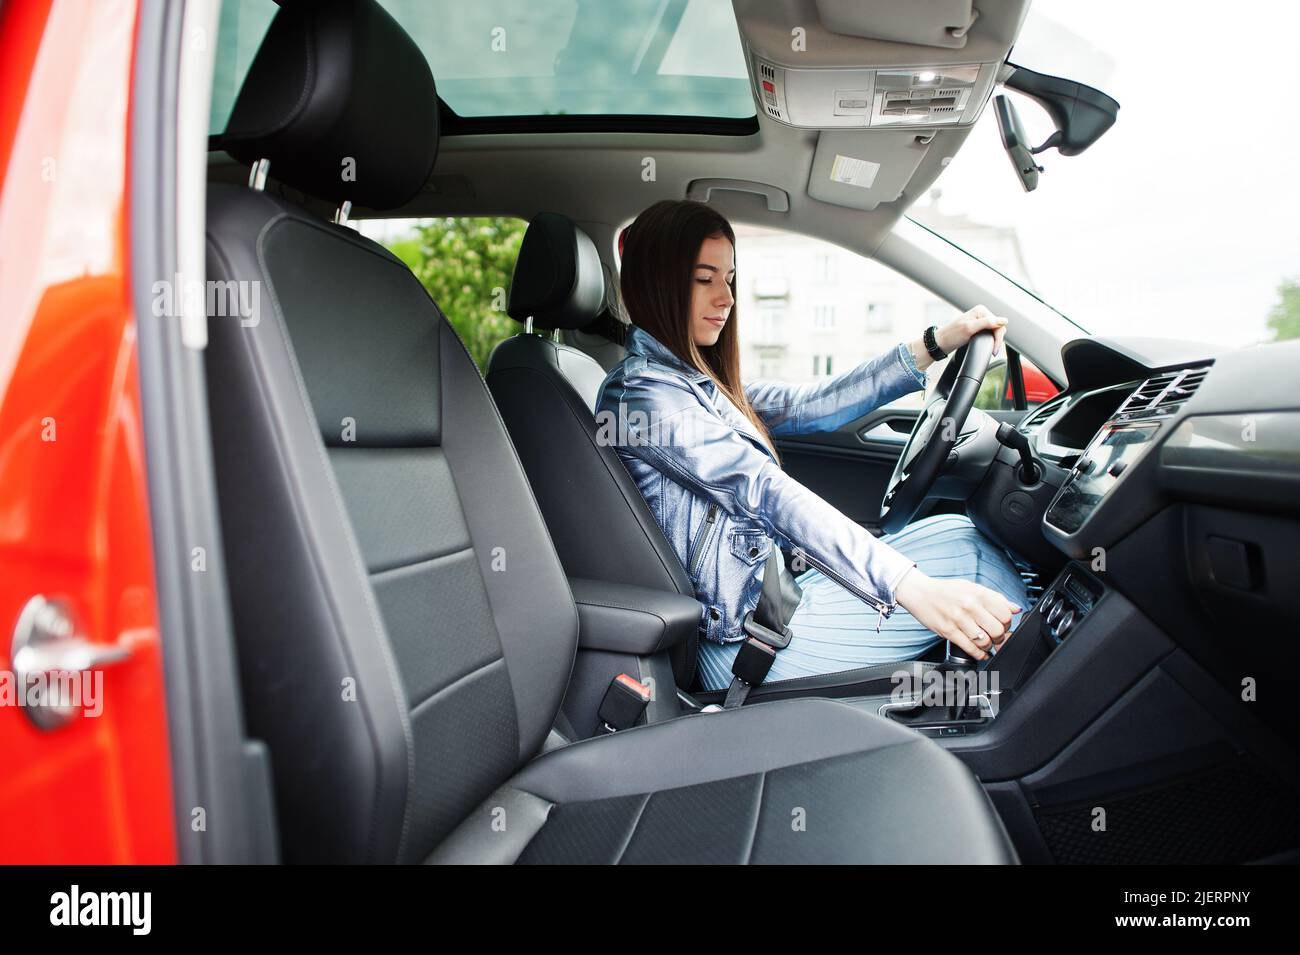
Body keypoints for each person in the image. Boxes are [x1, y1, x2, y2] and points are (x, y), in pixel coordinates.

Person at [595, 199, 1028, 691]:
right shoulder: (644, 397)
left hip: (772, 598)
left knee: (959, 533)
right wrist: (911, 587)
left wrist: (936, 342)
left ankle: (997, 695)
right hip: (741, 643)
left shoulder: (695, 380)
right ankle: (1024, 719)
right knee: (970, 563)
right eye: (703, 279)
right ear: (657, 282)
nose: (726, 298)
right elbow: (760, 488)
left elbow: (811, 404)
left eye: (729, 278)